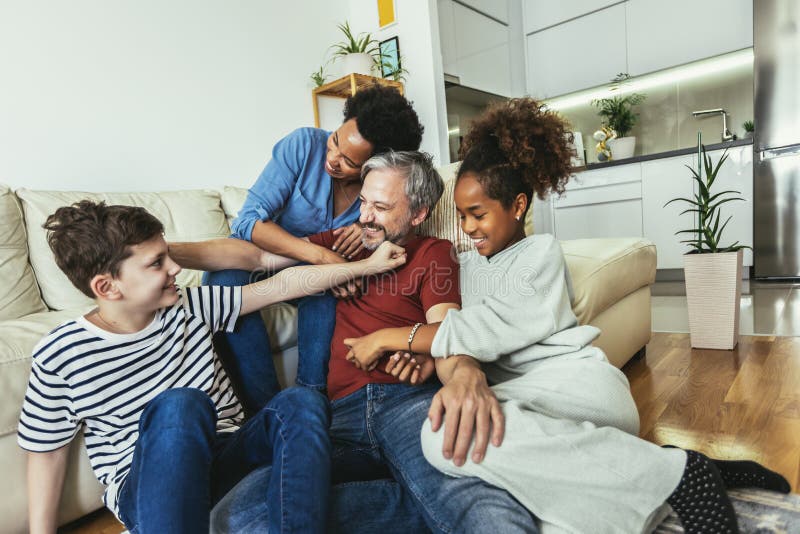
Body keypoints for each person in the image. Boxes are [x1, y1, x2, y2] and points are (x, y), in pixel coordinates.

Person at [344, 99, 792, 534]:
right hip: (525, 402)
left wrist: (390, 338)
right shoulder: (464, 267)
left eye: (478, 214)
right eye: (461, 216)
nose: (468, 227)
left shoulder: (540, 253)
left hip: (574, 389)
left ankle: (682, 477)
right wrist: (427, 355)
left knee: (440, 435)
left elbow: (484, 329)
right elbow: (455, 335)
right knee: (543, 510)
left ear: (518, 206)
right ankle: (670, 468)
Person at [182, 151, 540, 533]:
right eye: (363, 202)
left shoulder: (433, 254)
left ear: (418, 213)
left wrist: (451, 370)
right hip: (337, 418)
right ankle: (419, 502)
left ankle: (433, 499)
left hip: (405, 404)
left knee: (475, 505)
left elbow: (448, 333)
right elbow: (249, 254)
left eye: (381, 207)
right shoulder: (343, 244)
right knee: (238, 515)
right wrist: (161, 251)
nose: (365, 217)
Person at [17, 200, 407, 534]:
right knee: (181, 405)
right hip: (149, 484)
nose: (175, 267)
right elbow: (46, 454)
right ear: (107, 287)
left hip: (227, 458)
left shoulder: (190, 305)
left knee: (302, 402)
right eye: (157, 263)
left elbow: (283, 285)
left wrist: (366, 266)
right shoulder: (61, 353)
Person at [207, 84, 424, 413]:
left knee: (327, 294)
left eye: (349, 161)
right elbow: (248, 222)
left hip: (313, 276)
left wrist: (369, 227)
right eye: (335, 140)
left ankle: (311, 403)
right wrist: (322, 257)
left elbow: (400, 222)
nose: (333, 159)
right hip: (258, 260)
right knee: (222, 284)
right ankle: (266, 413)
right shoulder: (304, 145)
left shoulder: (377, 191)